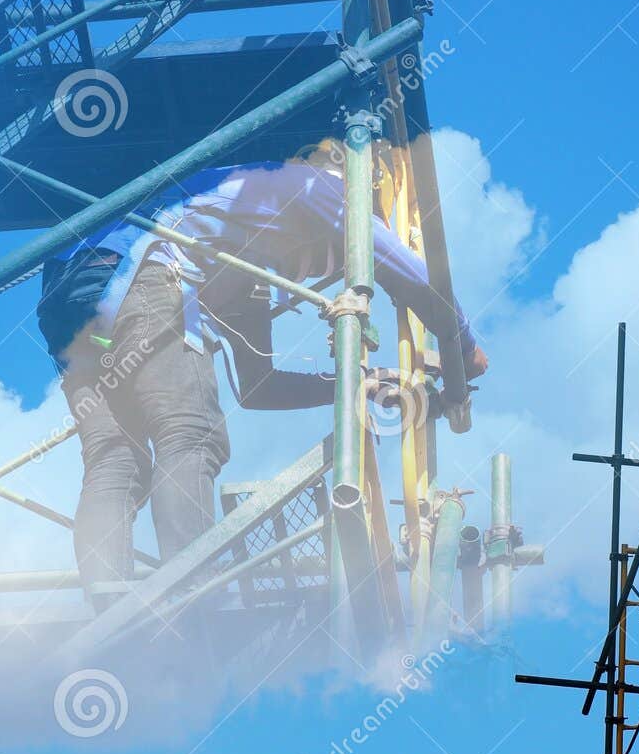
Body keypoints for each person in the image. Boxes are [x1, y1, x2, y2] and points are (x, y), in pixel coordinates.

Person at [36, 152, 487, 609]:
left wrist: (358, 382)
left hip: (63, 294)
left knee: (115, 460)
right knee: (190, 433)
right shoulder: (323, 186)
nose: (309, 271)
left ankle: (108, 606)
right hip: (144, 270)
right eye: (320, 258)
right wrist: (464, 348)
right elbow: (408, 273)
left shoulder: (234, 243)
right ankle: (192, 595)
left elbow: (257, 386)